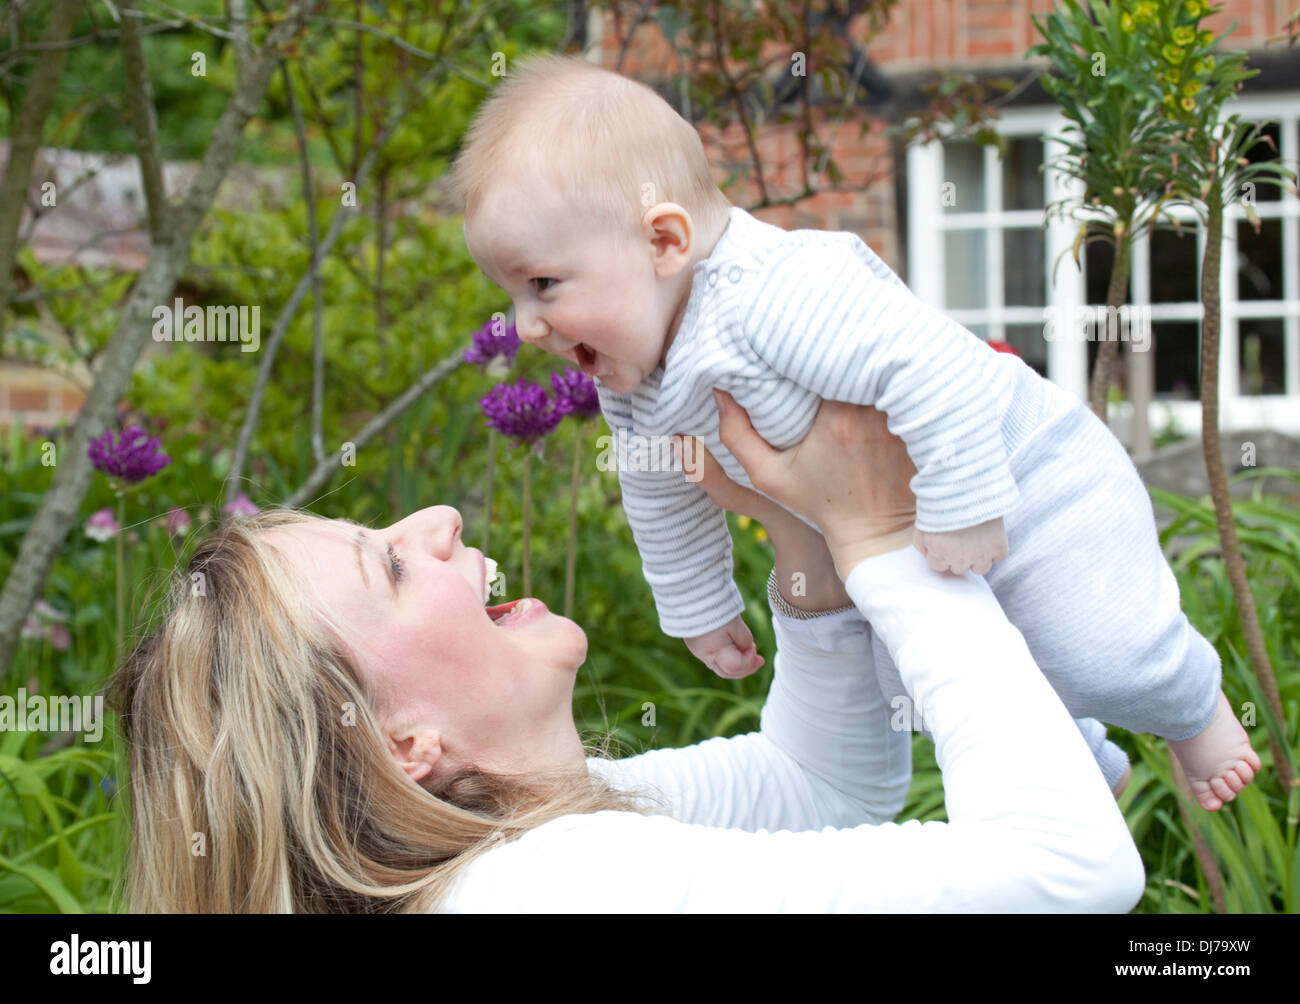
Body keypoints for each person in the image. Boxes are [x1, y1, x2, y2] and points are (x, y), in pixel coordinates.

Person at [448, 52, 1258, 811]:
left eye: (544, 285)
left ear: (665, 241)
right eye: (514, 296)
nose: (528, 325)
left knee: (1100, 650)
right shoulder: (634, 379)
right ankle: (1083, 764)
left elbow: (928, 363)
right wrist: (697, 604)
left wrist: (963, 499)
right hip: (894, 533)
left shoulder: (774, 291)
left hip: (1025, 478)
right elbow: (661, 494)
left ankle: (1192, 705)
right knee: (920, 680)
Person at [106, 395, 1144, 912]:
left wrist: (806, 543)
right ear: (400, 744)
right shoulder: (552, 889)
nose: (438, 518)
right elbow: (1071, 869)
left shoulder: (523, 847)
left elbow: (824, 784)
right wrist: (885, 542)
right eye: (389, 565)